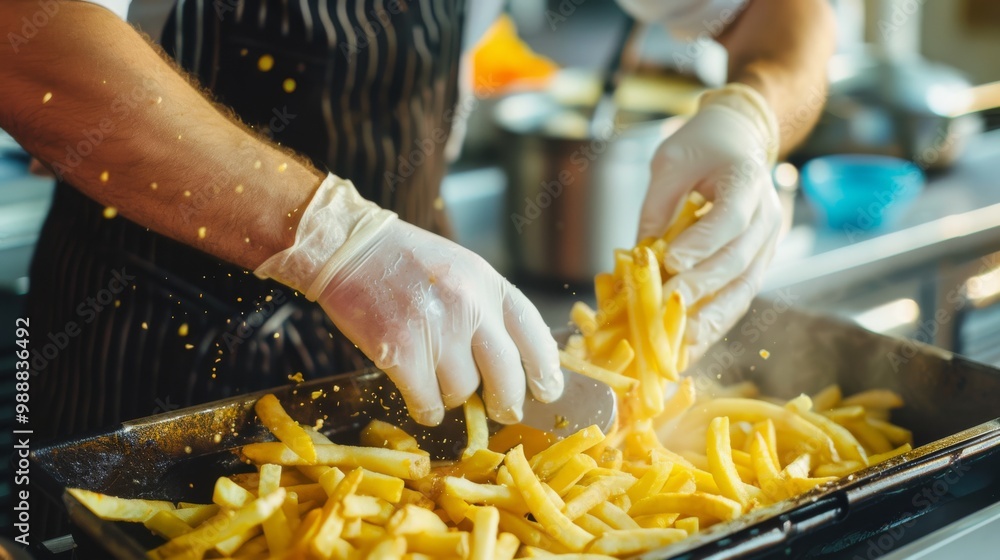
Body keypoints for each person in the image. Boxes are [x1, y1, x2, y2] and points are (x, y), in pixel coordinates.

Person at [0, 0, 834, 442]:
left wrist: (751, 117)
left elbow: (778, 15)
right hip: (143, 350)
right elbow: (21, 37)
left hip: (429, 365)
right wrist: (332, 240)